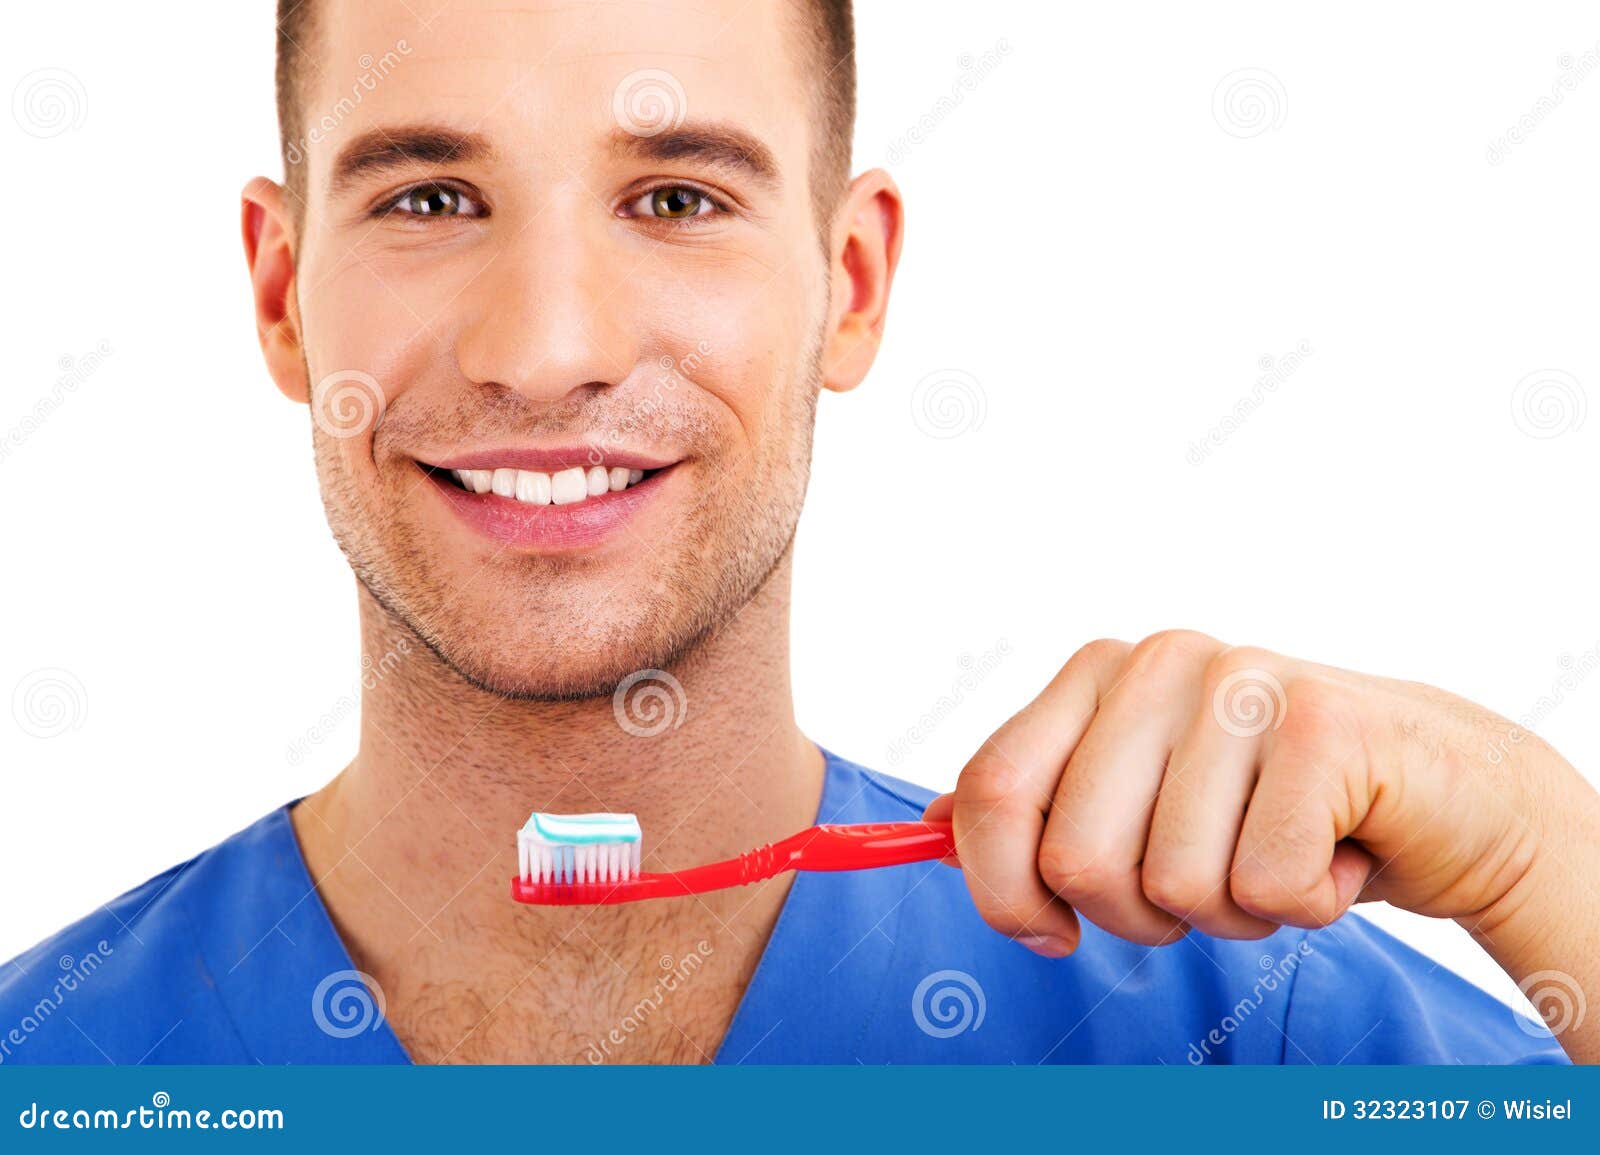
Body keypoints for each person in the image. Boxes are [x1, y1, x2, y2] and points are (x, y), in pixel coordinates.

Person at [1, 0, 1594, 1065]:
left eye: (678, 199)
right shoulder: (50, 1067)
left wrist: (1544, 857)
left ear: (854, 281)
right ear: (282, 294)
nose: (546, 345)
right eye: (428, 200)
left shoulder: (1260, 1038)